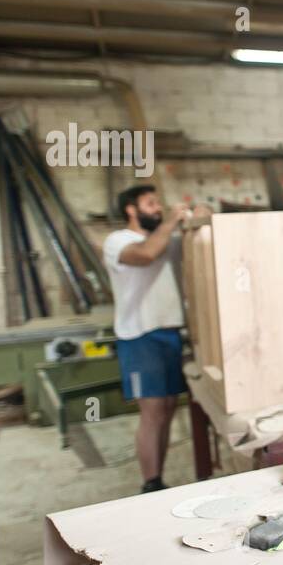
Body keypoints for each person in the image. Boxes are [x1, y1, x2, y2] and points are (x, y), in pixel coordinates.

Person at [101, 185, 204, 493]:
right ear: (131, 210)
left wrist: (202, 215)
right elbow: (145, 255)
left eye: (158, 203)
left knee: (169, 406)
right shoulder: (118, 241)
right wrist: (171, 221)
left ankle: (157, 476)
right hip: (139, 335)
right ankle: (150, 482)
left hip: (169, 332)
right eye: (150, 204)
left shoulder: (164, 238)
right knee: (153, 410)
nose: (157, 208)